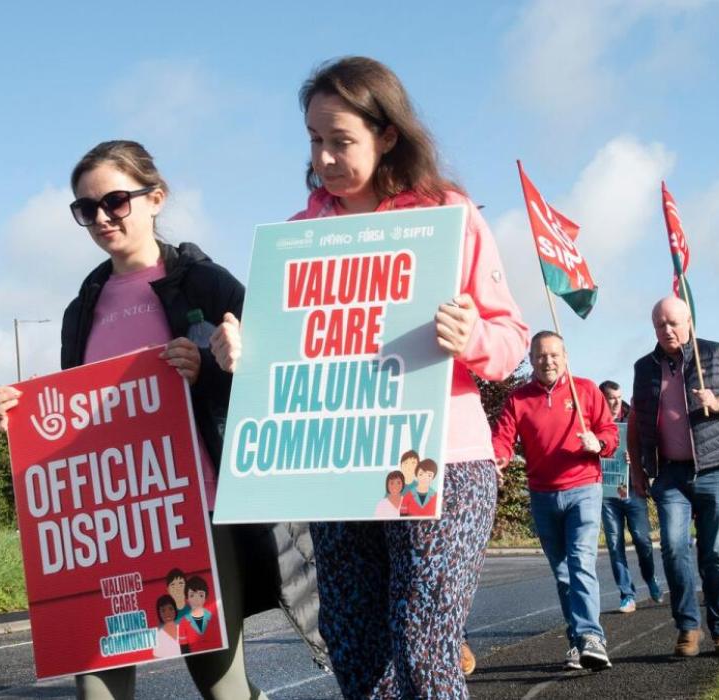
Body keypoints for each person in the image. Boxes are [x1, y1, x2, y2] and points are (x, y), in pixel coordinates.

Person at [210, 56, 528, 698]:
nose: (324, 157)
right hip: (339, 469)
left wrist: (471, 338)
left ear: (387, 134)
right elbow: (279, 365)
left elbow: (511, 341)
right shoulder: (301, 238)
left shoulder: (448, 215)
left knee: (423, 653)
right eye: (314, 140)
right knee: (358, 657)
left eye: (341, 140)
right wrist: (243, 352)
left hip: (440, 462)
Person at [0, 140, 317, 699]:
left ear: (156, 198)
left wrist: (208, 370)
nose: (100, 218)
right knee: (95, 687)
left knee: (222, 687)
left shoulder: (207, 284)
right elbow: (84, 415)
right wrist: (23, 420)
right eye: (85, 209)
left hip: (195, 509)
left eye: (115, 201)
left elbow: (274, 373)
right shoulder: (83, 306)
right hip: (107, 523)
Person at [628, 296, 719, 657]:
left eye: (673, 323)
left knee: (715, 552)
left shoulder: (714, 354)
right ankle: (687, 628)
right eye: (659, 324)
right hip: (668, 474)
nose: (666, 330)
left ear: (689, 322)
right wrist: (638, 471)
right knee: (672, 548)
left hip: (713, 469)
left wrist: (718, 402)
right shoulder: (643, 368)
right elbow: (636, 422)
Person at [492, 332, 618, 670]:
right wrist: (498, 459)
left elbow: (610, 433)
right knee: (563, 574)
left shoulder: (586, 390)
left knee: (580, 563)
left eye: (554, 355)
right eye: (540, 356)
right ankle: (577, 640)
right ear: (531, 359)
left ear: (565, 357)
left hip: (583, 489)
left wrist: (599, 443)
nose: (548, 361)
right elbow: (502, 438)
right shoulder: (519, 399)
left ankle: (593, 637)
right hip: (543, 494)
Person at [598, 380, 662, 614]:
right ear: (601, 399)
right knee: (615, 545)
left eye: (618, 397)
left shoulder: (634, 419)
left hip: (633, 489)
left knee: (642, 539)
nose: (615, 402)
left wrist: (636, 459)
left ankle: (650, 577)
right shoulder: (594, 422)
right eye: (610, 398)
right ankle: (627, 594)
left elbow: (651, 449)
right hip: (608, 494)